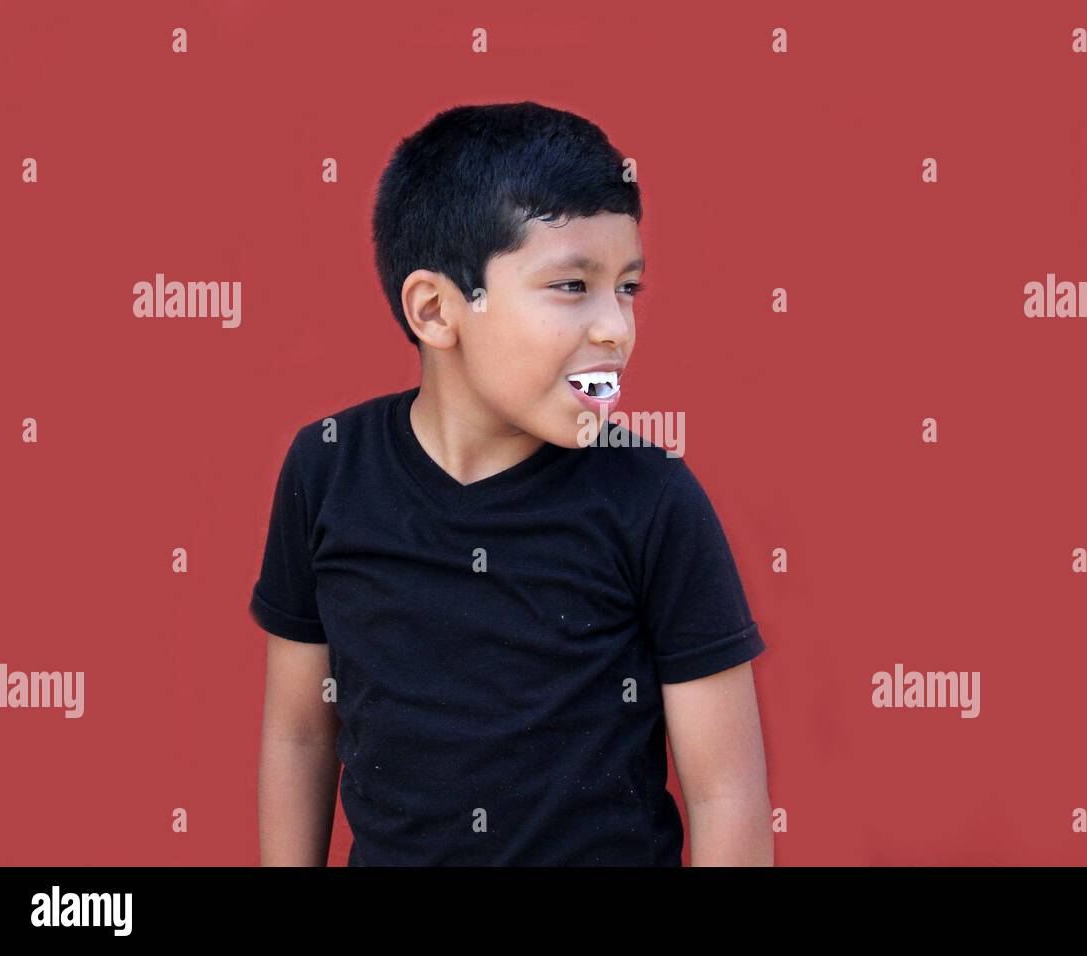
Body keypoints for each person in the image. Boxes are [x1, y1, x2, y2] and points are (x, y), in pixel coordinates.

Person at [249, 101, 771, 865]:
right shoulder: (327, 470)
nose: (616, 329)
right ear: (436, 310)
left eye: (628, 287)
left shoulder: (654, 499)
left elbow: (727, 793)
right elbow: (298, 734)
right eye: (571, 286)